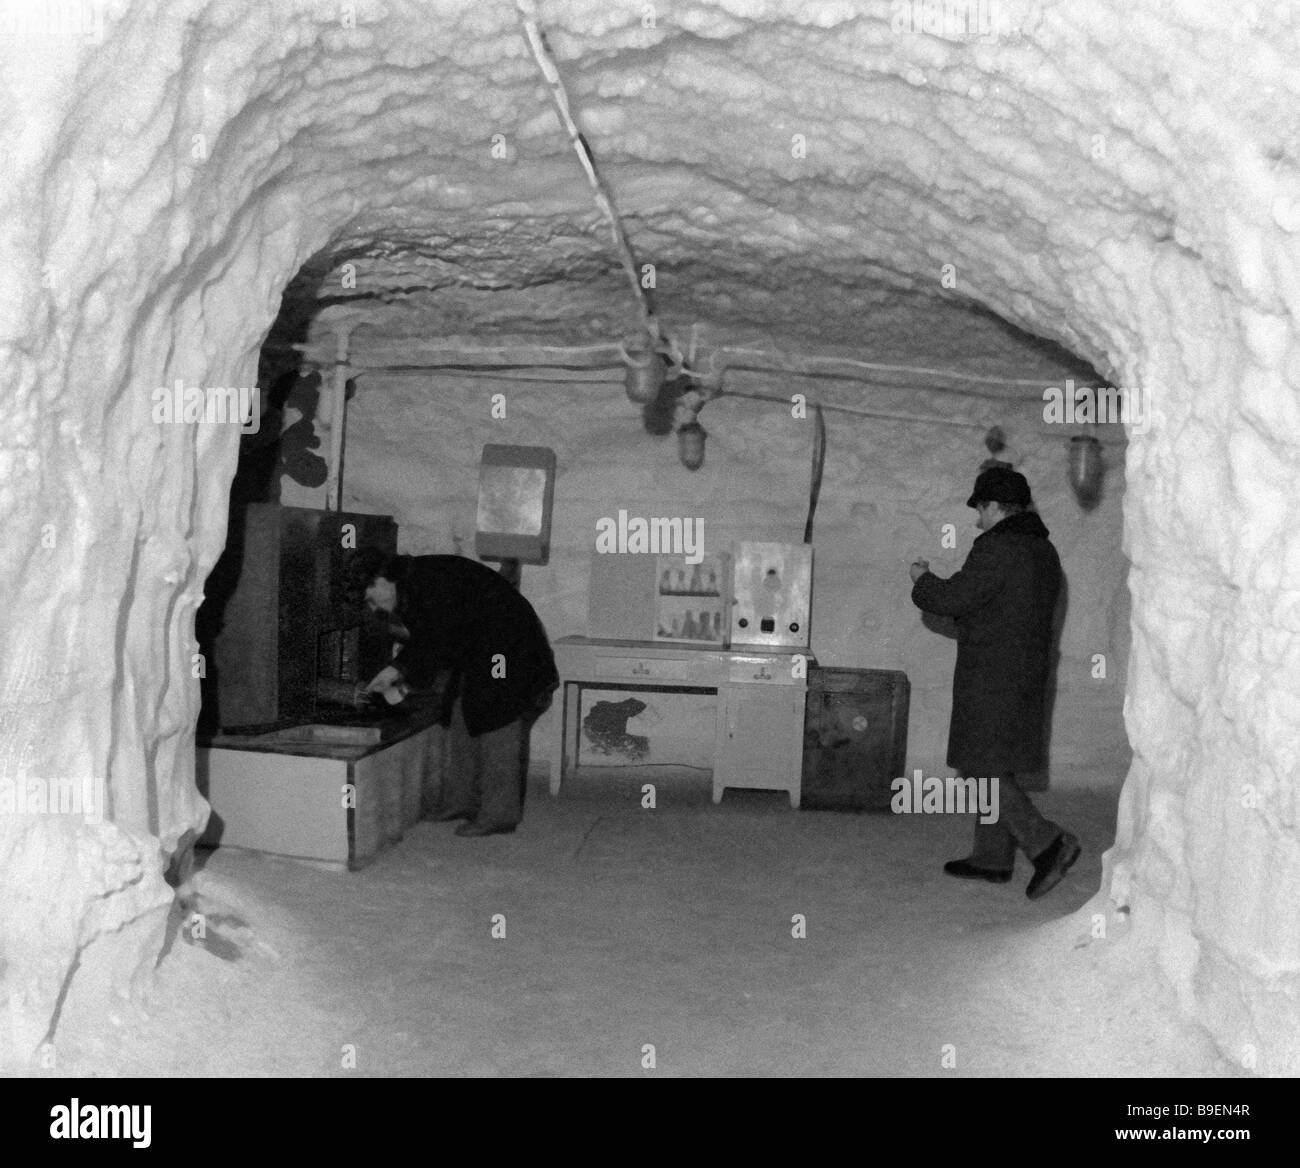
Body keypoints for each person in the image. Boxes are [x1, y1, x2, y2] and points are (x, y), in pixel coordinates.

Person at [908, 466, 1080, 899]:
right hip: (1024, 674)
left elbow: (952, 599)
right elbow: (1004, 610)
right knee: (994, 763)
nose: (977, 519)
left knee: (982, 767)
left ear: (994, 506)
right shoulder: (1044, 552)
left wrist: (921, 579)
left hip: (992, 676)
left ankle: (1047, 842)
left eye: (979, 509)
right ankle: (992, 857)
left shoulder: (998, 549)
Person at [348, 549, 559, 838]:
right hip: (481, 649)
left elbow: (434, 640)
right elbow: (432, 640)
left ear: (382, 579)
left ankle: (499, 814)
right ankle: (461, 801)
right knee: (460, 713)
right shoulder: (414, 584)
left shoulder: (430, 582)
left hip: (510, 651)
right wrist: (396, 673)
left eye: (372, 598)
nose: (375, 608)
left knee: (498, 723)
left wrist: (398, 673)